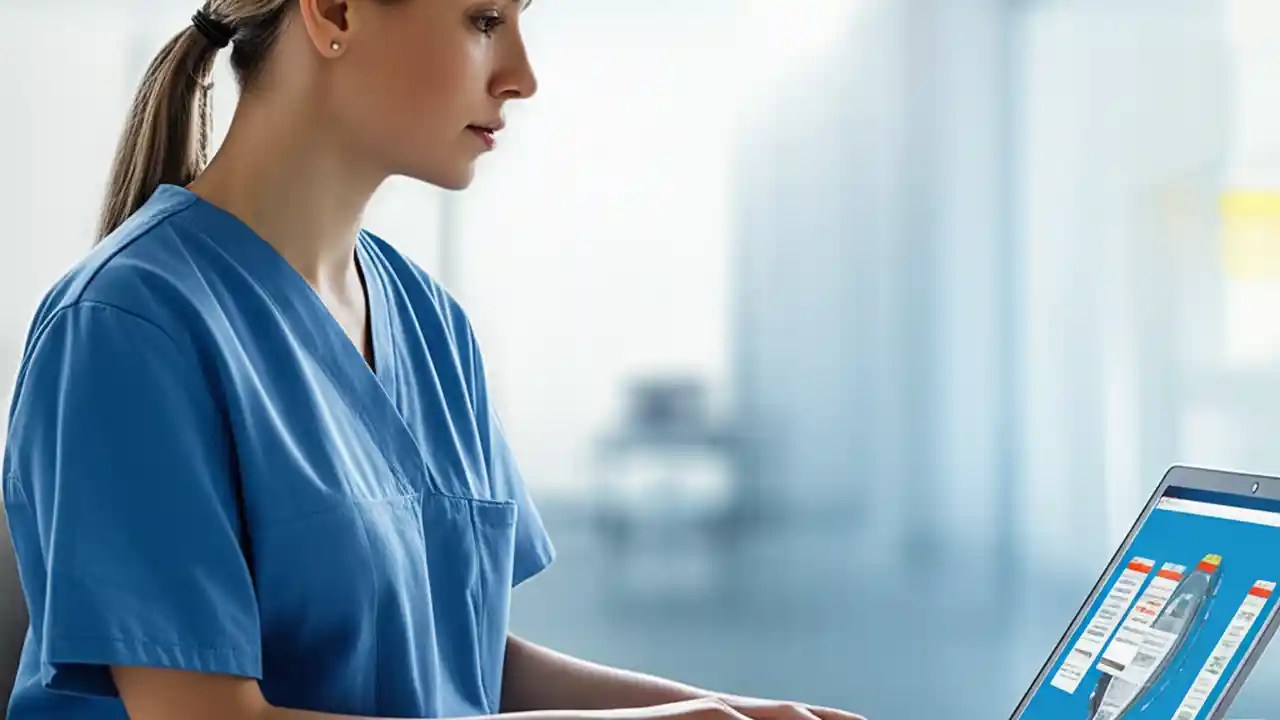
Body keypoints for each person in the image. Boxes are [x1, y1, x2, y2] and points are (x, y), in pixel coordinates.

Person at [0, 2, 869, 720]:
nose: (523, 76)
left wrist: (734, 714)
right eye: (485, 19)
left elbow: (463, 661)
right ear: (334, 12)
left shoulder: (433, 326)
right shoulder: (126, 327)